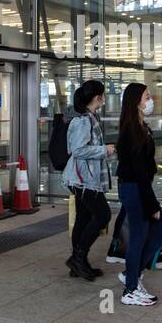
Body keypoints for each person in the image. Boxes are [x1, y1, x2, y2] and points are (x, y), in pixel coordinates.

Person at [114, 83, 162, 306]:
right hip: (135, 189)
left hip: (138, 187)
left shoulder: (140, 126)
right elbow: (137, 171)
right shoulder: (132, 130)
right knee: (141, 238)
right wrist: (152, 206)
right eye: (147, 96)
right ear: (136, 101)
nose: (150, 100)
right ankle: (130, 289)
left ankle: (132, 273)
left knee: (161, 232)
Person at [63, 79, 113, 280]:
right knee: (103, 216)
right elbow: (78, 150)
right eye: (102, 94)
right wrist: (104, 150)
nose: (104, 98)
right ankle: (77, 258)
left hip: (83, 178)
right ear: (97, 97)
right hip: (84, 180)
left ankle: (79, 264)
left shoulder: (90, 118)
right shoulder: (83, 121)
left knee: (83, 218)